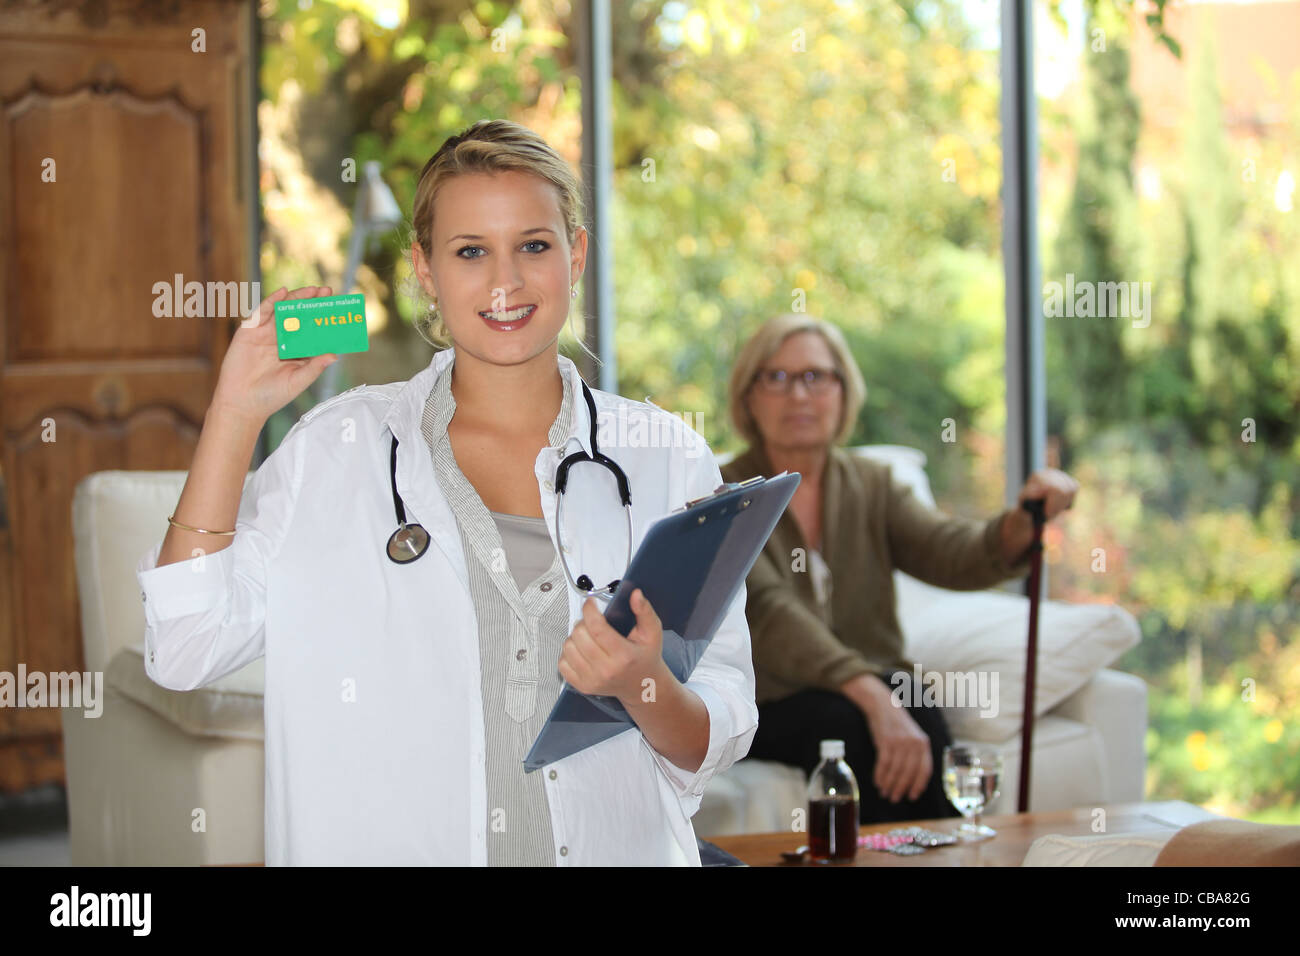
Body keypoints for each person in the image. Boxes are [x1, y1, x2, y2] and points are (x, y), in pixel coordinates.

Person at [137, 119, 757, 865]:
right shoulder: (337, 453)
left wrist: (642, 683)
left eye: (534, 245)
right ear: (425, 270)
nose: (506, 282)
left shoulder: (667, 458)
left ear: (577, 255)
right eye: (470, 252)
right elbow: (182, 648)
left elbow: (713, 734)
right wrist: (233, 416)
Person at [720, 313, 1078, 824]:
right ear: (749, 396)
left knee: (919, 710)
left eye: (815, 376)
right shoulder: (726, 493)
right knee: (850, 725)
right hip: (770, 701)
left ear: (844, 391)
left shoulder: (873, 484)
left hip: (867, 687)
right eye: (776, 378)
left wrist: (1022, 522)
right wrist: (875, 698)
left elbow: (948, 550)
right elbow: (772, 614)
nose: (798, 395)